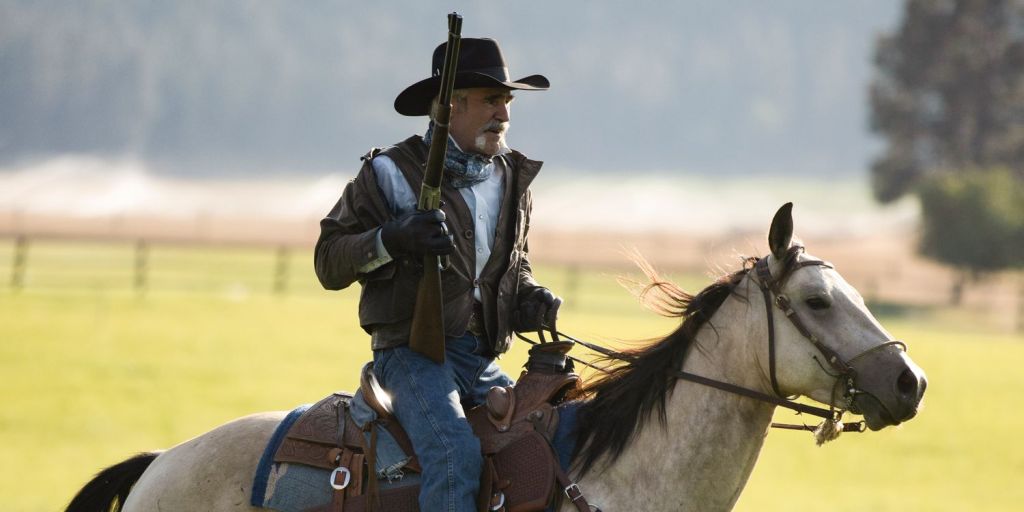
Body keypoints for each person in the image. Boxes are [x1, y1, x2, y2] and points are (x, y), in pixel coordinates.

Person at [314, 37, 562, 512]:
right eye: (493, 100)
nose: (504, 115)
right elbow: (328, 262)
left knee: (539, 442)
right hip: (409, 354)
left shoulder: (511, 178)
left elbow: (512, 267)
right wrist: (392, 239)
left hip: (477, 355)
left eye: (507, 102)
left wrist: (529, 298)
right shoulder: (388, 172)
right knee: (453, 455)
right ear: (451, 105)